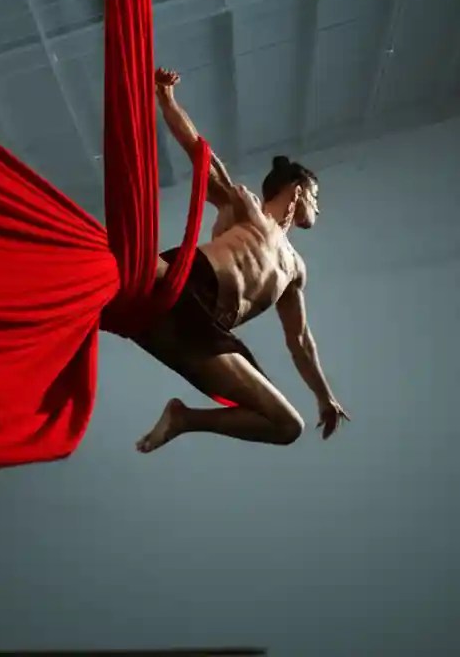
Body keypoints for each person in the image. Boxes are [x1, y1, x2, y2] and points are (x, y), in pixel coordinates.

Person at [133, 67, 350, 453]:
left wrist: (324, 396)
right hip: (184, 281)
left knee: (287, 426)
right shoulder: (246, 209)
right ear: (298, 190)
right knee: (124, 272)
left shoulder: (295, 270)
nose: (318, 208)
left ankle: (185, 418)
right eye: (316, 197)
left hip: (203, 330)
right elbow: (201, 154)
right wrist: (166, 99)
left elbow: (300, 340)